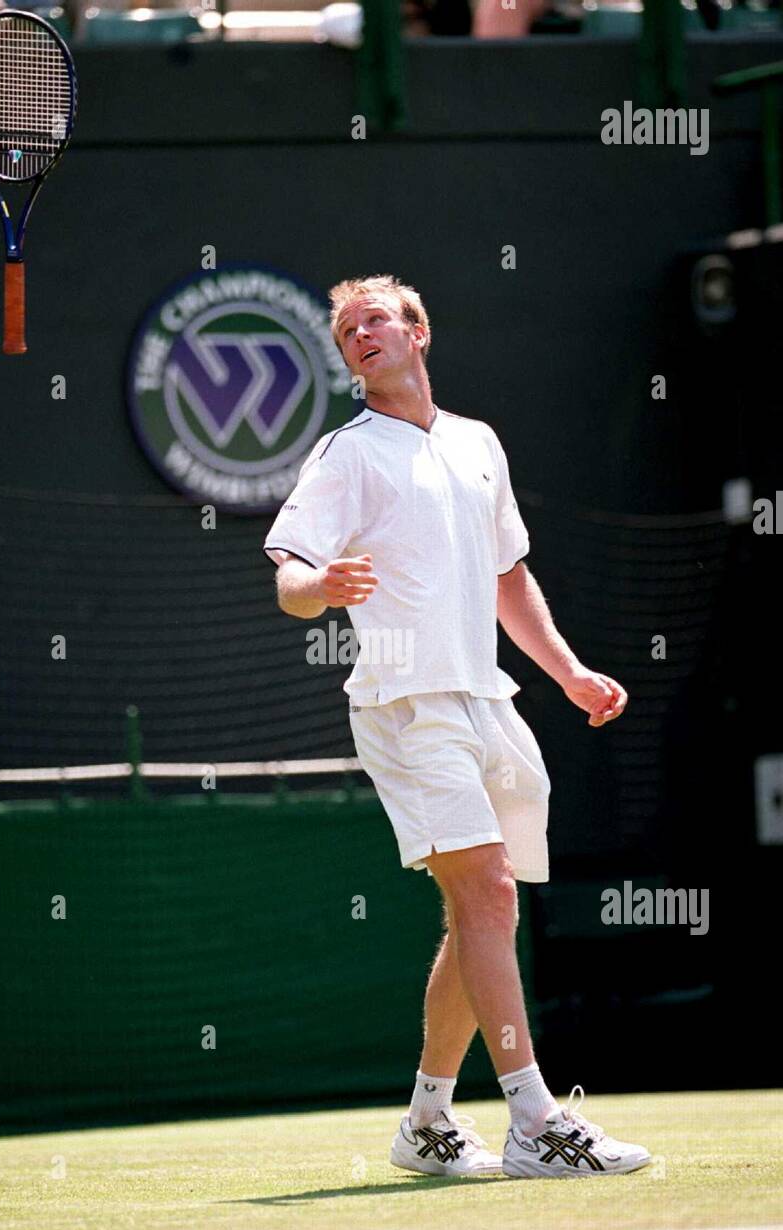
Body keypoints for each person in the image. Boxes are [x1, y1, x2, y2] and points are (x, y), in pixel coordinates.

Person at [262, 274, 650, 1179]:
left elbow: (509, 577)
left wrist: (568, 672)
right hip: (406, 705)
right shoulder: (346, 455)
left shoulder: (477, 443)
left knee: (485, 910)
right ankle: (533, 1119)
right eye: (346, 329)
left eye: (376, 321)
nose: (360, 334)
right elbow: (288, 572)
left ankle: (427, 1122)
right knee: (488, 897)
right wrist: (320, 587)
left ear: (417, 335)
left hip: (489, 701)